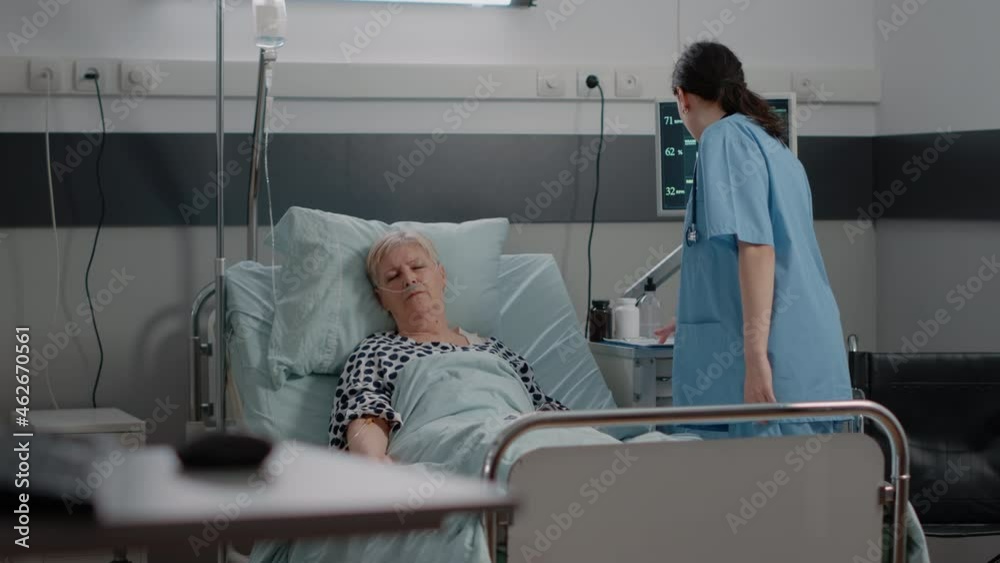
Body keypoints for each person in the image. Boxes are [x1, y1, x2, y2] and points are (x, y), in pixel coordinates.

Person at [654, 41, 851, 438]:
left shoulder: (721, 140)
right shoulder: (772, 145)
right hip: (809, 353)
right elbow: (775, 253)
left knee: (753, 492)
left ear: (683, 97)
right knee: (811, 495)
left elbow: (758, 248)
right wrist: (701, 311)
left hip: (773, 363)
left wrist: (756, 356)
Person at [328, 230, 566, 460]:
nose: (409, 278)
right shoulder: (375, 350)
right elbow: (365, 412)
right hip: (446, 447)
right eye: (393, 276)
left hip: (524, 440)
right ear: (381, 299)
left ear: (442, 276)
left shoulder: (497, 350)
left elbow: (542, 410)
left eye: (417, 266)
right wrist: (374, 463)